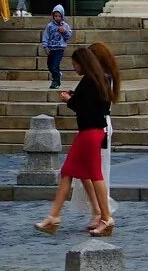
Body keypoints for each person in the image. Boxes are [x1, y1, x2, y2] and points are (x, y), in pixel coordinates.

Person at [36, 41, 118, 237]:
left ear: (83, 63)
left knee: (95, 175)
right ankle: (54, 217)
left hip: (90, 132)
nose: (74, 68)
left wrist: (69, 100)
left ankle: (105, 217)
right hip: (90, 132)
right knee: (68, 171)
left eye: (75, 64)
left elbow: (86, 108)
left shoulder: (90, 81)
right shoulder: (97, 80)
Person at [40, 4, 73, 91]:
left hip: (59, 48)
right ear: (53, 16)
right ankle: (58, 74)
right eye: (55, 16)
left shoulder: (64, 25)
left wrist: (64, 32)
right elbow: (45, 36)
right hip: (51, 48)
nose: (57, 18)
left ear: (62, 16)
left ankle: (56, 81)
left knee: (55, 65)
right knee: (50, 65)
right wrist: (45, 47)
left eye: (59, 16)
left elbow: (68, 36)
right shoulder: (50, 26)